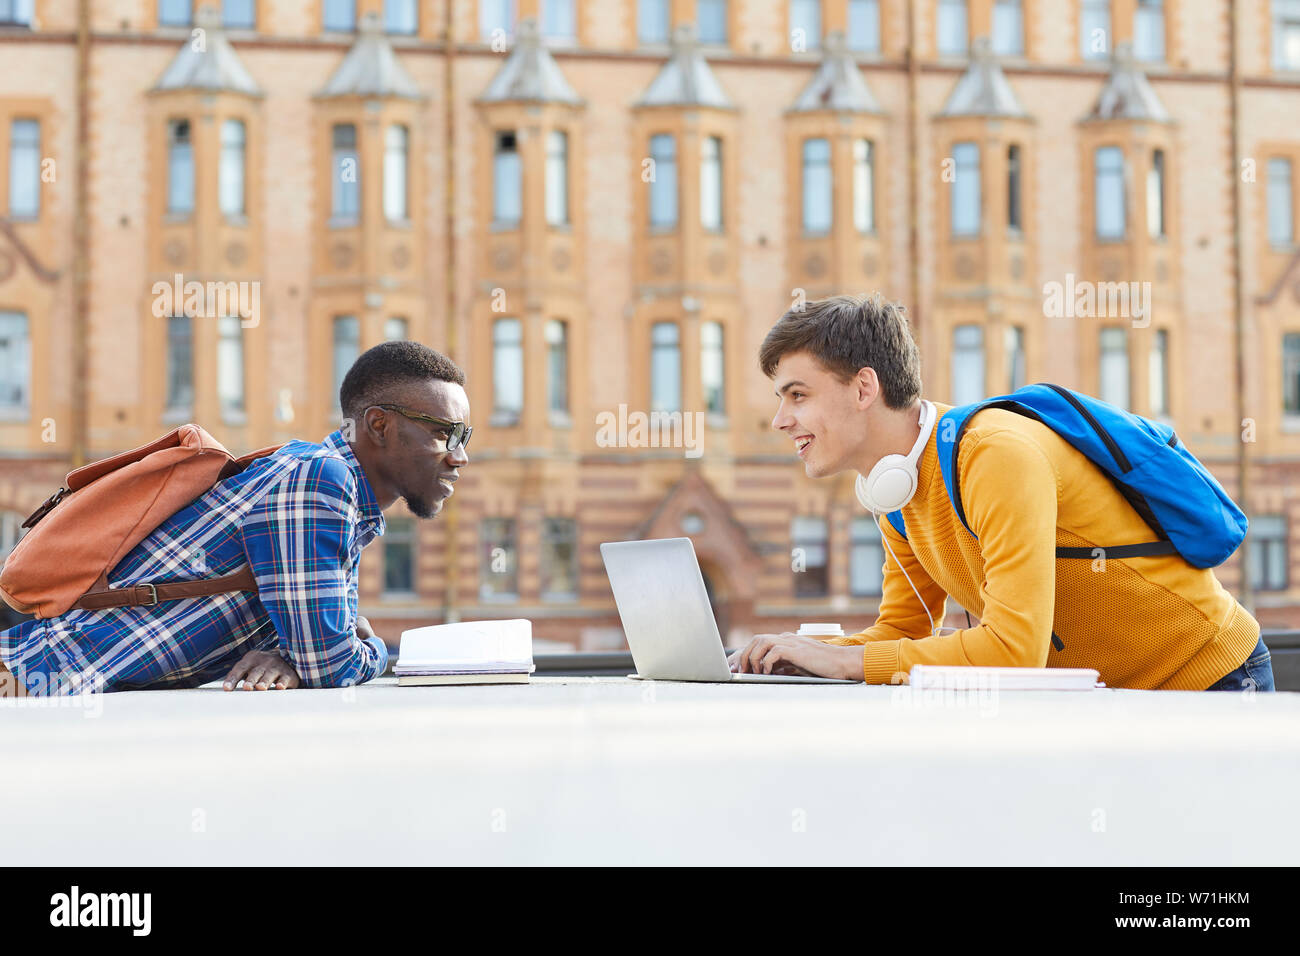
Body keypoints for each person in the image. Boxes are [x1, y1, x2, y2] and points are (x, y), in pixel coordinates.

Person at [729, 293, 1273, 691]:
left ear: (864, 388)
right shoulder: (892, 489)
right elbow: (901, 630)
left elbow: (1015, 651)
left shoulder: (993, 455)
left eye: (797, 395)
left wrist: (846, 663)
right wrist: (803, 654)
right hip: (1117, 696)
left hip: (1209, 677)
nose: (780, 419)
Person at [0, 341, 470, 696]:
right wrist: (374, 651)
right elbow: (332, 662)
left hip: (47, 689)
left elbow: (314, 653)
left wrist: (290, 656)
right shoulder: (319, 481)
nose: (459, 456)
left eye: (464, 437)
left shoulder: (334, 495)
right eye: (444, 434)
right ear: (379, 425)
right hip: (29, 681)